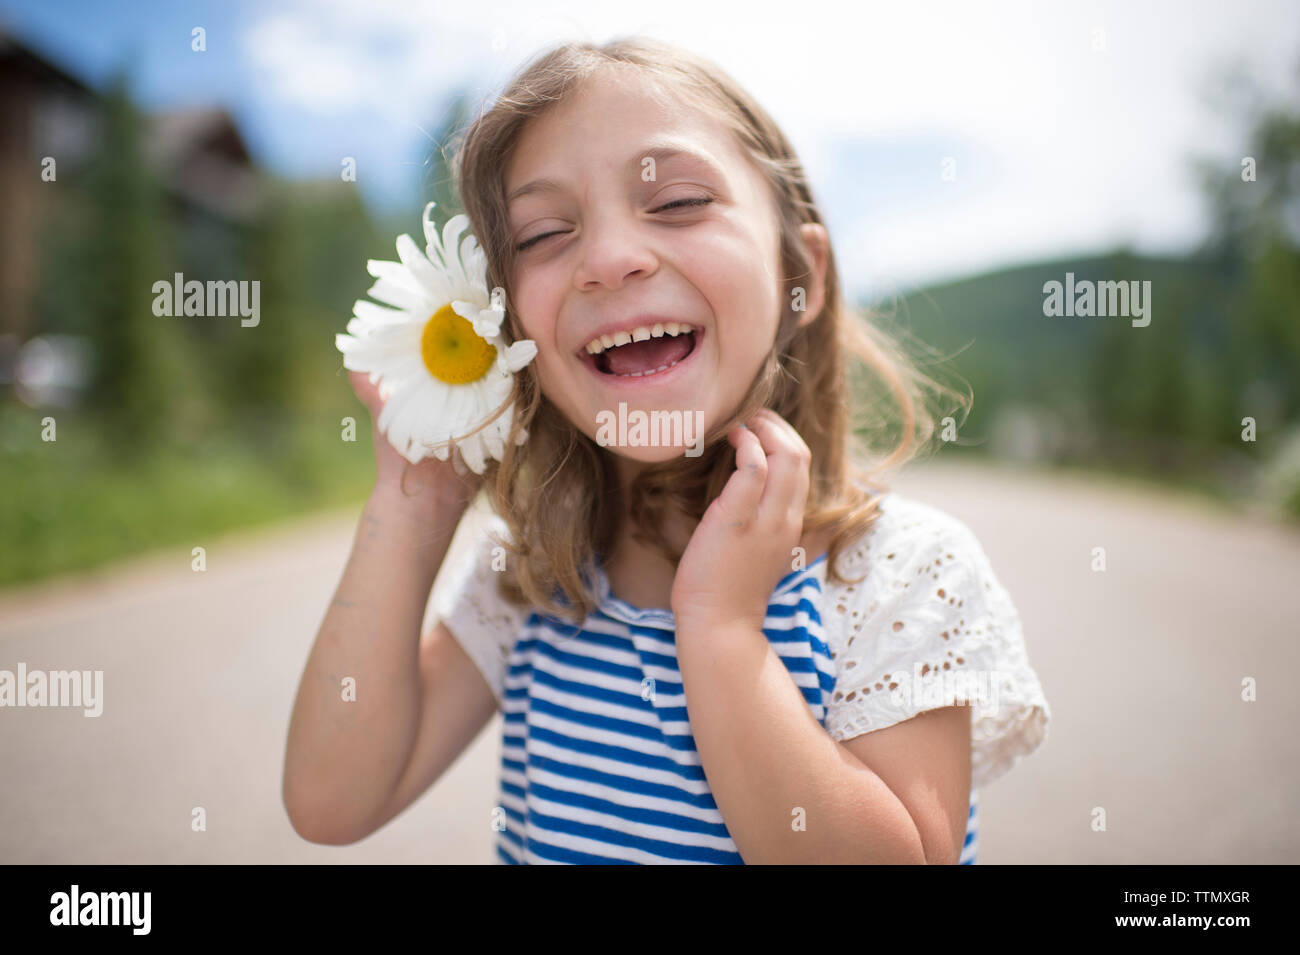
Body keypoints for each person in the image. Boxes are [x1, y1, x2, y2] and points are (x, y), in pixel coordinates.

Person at [283, 36, 1050, 864]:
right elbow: (332, 800)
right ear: (507, 320)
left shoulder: (897, 572)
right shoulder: (537, 576)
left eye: (679, 202)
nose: (608, 260)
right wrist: (418, 500)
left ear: (804, 273)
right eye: (542, 233)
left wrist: (720, 632)